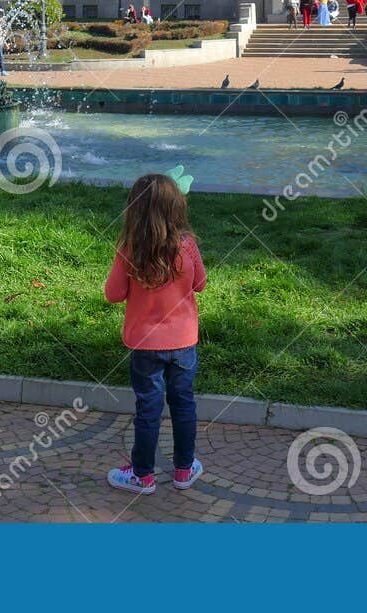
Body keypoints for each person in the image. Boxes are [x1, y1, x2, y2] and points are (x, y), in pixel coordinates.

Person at [104, 172, 207, 495]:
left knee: (148, 409)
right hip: (184, 343)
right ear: (177, 207)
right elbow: (200, 284)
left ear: (134, 210)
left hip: (146, 345)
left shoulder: (130, 250)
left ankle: (142, 475)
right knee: (183, 404)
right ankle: (184, 468)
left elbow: (113, 293)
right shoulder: (188, 247)